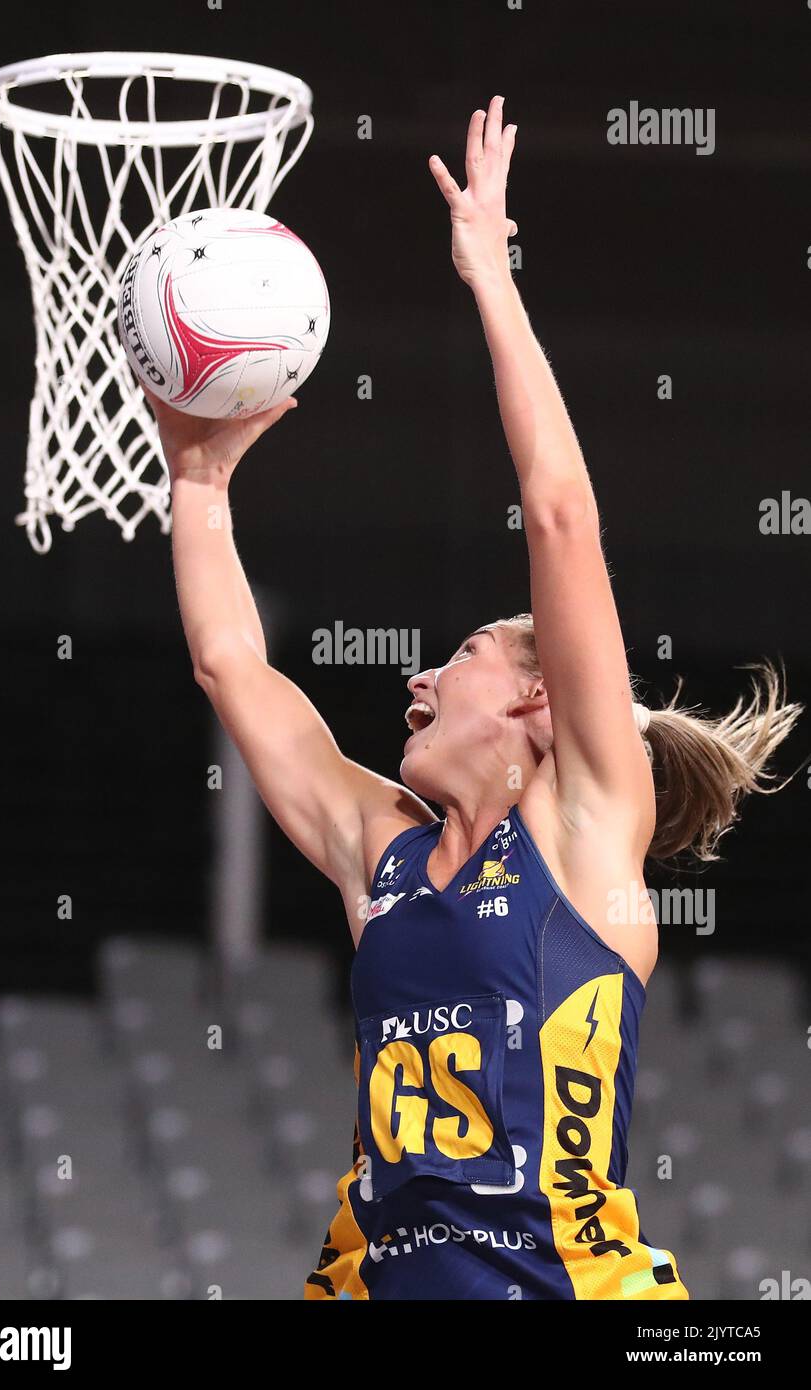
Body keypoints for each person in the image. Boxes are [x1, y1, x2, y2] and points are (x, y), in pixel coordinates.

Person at [144, 95, 801, 1300]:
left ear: (543, 700)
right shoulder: (376, 854)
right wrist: (197, 482)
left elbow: (560, 513)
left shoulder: (588, 829)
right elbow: (233, 666)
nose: (420, 676)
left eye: (460, 655)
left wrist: (491, 275)